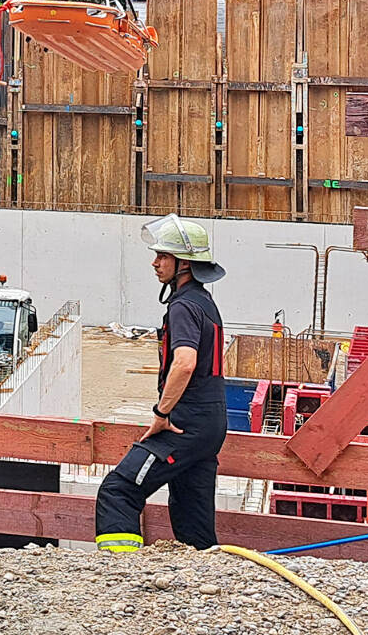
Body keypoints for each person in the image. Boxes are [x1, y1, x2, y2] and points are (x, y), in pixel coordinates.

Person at [94, 214, 228, 553]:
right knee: (190, 512)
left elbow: (184, 363)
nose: (155, 263)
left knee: (118, 490)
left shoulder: (183, 306)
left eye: (163, 256)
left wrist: (161, 413)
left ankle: (120, 569)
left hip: (185, 423)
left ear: (184, 263)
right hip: (211, 423)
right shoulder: (205, 303)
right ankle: (199, 576)